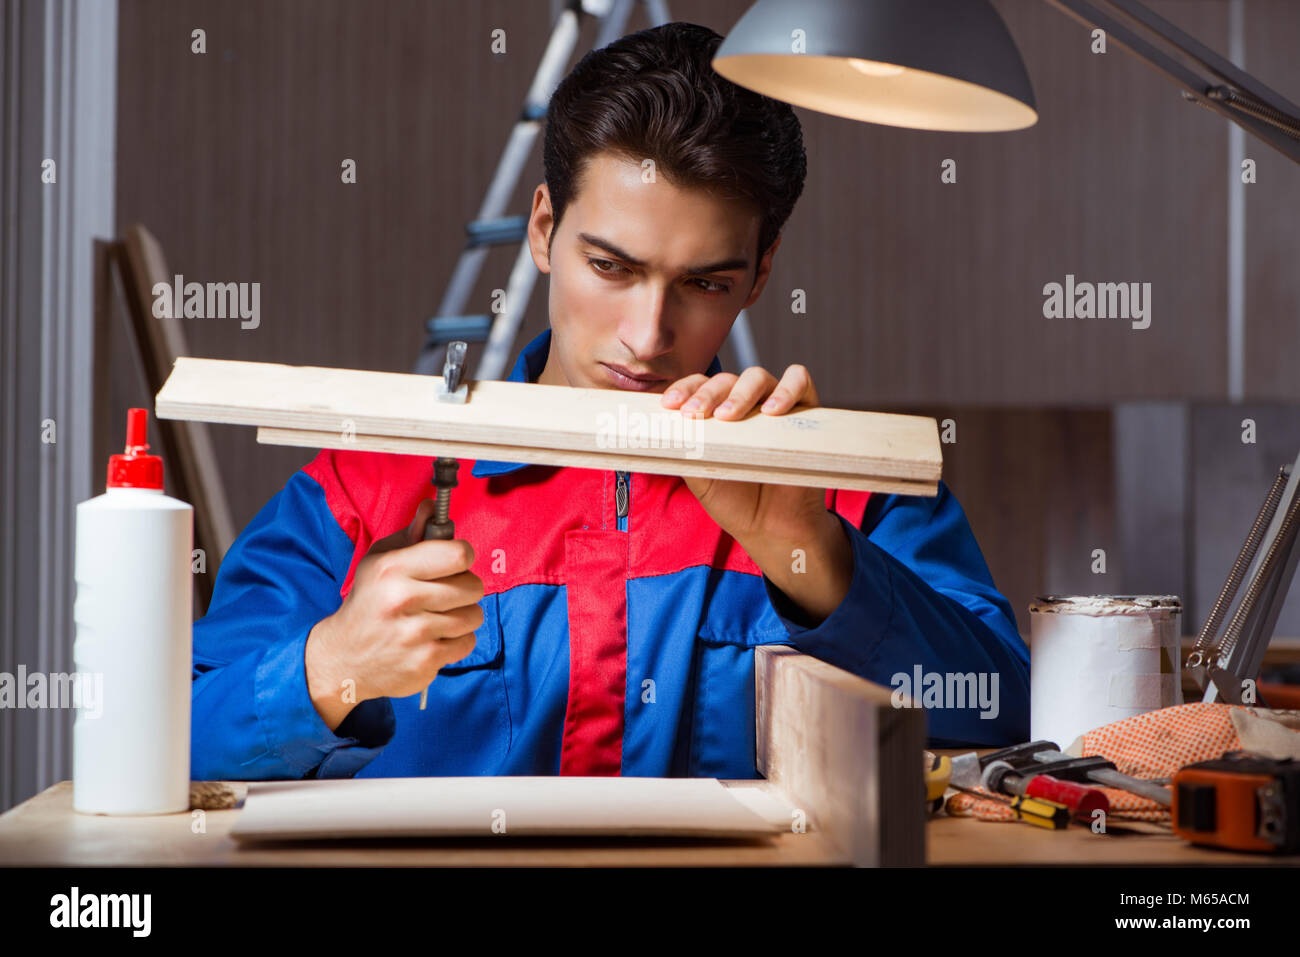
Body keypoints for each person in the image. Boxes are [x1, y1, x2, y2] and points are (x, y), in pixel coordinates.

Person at [191, 22, 1029, 781]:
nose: (647, 333)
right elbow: (167, 738)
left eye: (705, 282)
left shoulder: (835, 490)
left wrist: (813, 558)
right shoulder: (368, 492)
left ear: (760, 274)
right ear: (545, 229)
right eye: (612, 267)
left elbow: (1005, 709)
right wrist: (333, 663)